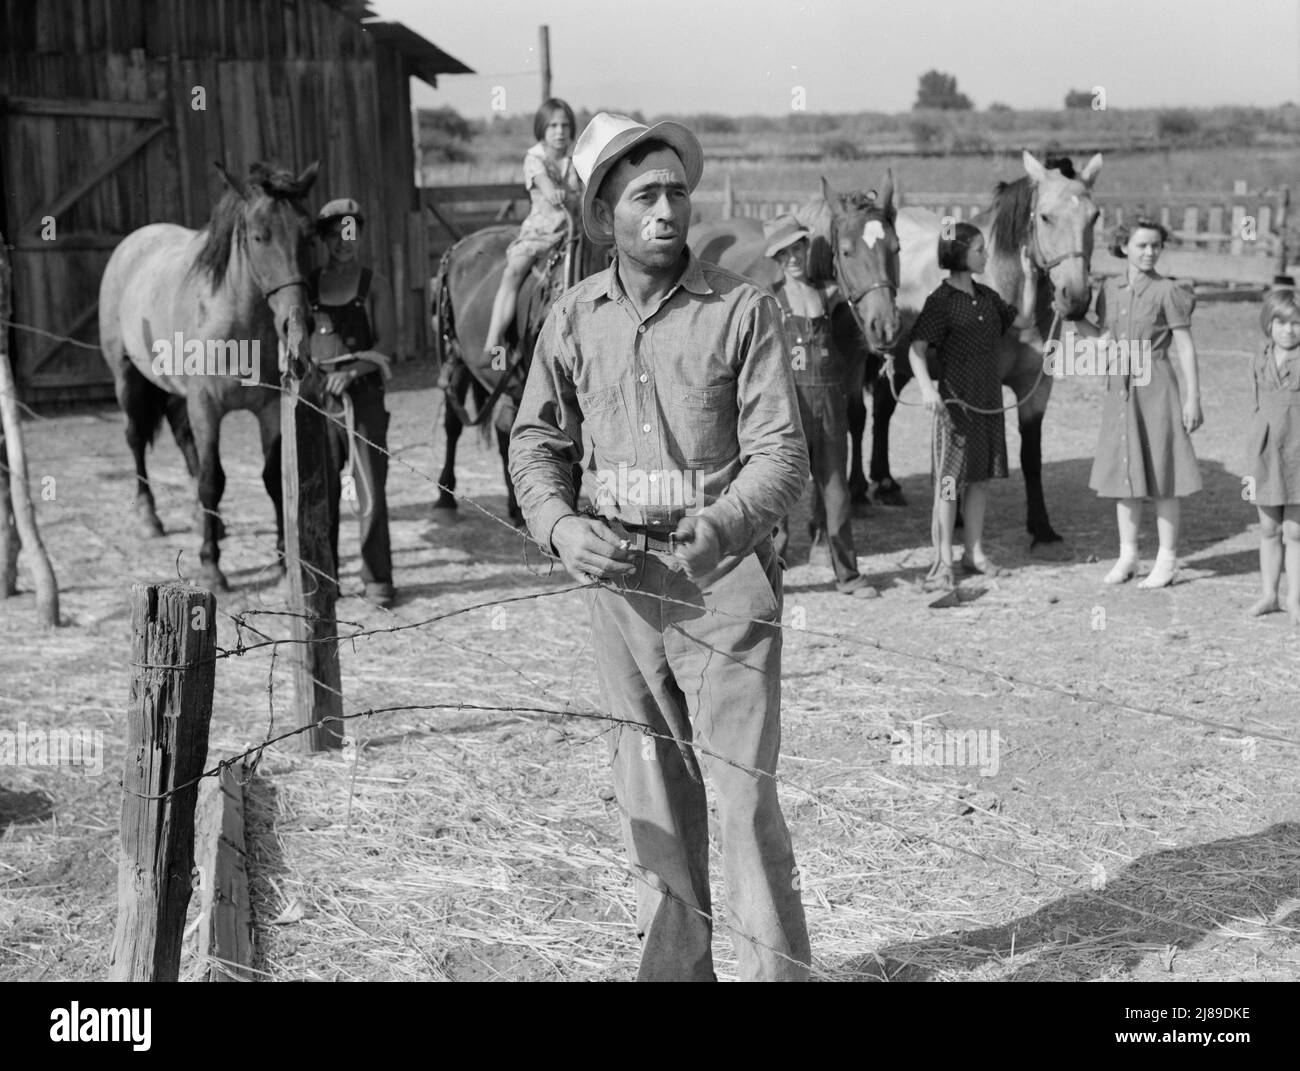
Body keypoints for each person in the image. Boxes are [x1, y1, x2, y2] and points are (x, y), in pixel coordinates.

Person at [509, 113, 811, 981]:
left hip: (724, 585)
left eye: (679, 191)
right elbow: (535, 441)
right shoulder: (572, 318)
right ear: (605, 214)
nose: (668, 208)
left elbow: (782, 452)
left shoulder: (741, 311)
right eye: (646, 194)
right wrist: (562, 526)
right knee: (654, 796)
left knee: (744, 795)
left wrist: (721, 527)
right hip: (619, 596)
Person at [907, 222, 1036, 593]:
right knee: (950, 484)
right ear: (960, 254)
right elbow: (916, 349)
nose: (986, 256)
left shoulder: (986, 296)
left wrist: (1030, 279)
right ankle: (944, 559)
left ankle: (974, 553)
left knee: (979, 479)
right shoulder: (941, 301)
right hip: (955, 405)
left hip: (987, 402)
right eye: (980, 250)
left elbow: (1023, 321)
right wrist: (927, 390)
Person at [1085, 218, 1202, 588]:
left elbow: (1184, 345)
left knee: (1163, 475)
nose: (1150, 252)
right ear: (1123, 248)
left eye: (1155, 246)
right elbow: (1103, 336)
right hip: (1120, 386)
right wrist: (1070, 318)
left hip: (1157, 386)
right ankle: (1129, 556)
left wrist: (1192, 397)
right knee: (1125, 474)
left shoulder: (1168, 291)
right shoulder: (1110, 289)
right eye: (1142, 246)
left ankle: (1167, 560)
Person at [766, 214, 878, 598]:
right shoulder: (769, 299)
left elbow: (860, 335)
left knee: (837, 493)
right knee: (778, 498)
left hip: (831, 404)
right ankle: (770, 580)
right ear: (776, 258)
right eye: (785, 252)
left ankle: (847, 575)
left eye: (798, 248)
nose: (794, 257)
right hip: (790, 408)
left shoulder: (830, 295)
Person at [310, 197, 397, 608]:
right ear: (325, 239)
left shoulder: (374, 284)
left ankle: (377, 578)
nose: (344, 242)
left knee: (369, 490)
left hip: (362, 397)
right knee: (322, 491)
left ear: (358, 236)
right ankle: (324, 578)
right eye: (335, 234)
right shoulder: (309, 286)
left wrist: (355, 372)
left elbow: (387, 346)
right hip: (318, 398)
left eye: (351, 232)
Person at [475, 98, 582, 373]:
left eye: (565, 125)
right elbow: (547, 189)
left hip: (574, 232)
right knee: (513, 272)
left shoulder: (576, 159)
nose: (560, 131)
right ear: (542, 129)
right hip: (542, 232)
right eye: (553, 126)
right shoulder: (535, 158)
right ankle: (493, 341)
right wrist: (559, 192)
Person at [1245, 287, 1300, 622]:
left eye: (1296, 323)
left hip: (1298, 453)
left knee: (1294, 531)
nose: (1288, 330)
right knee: (1267, 528)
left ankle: (1295, 598)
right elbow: (1255, 407)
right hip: (1263, 453)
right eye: (1280, 322)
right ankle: (1269, 595)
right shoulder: (1260, 357)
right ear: (1268, 324)